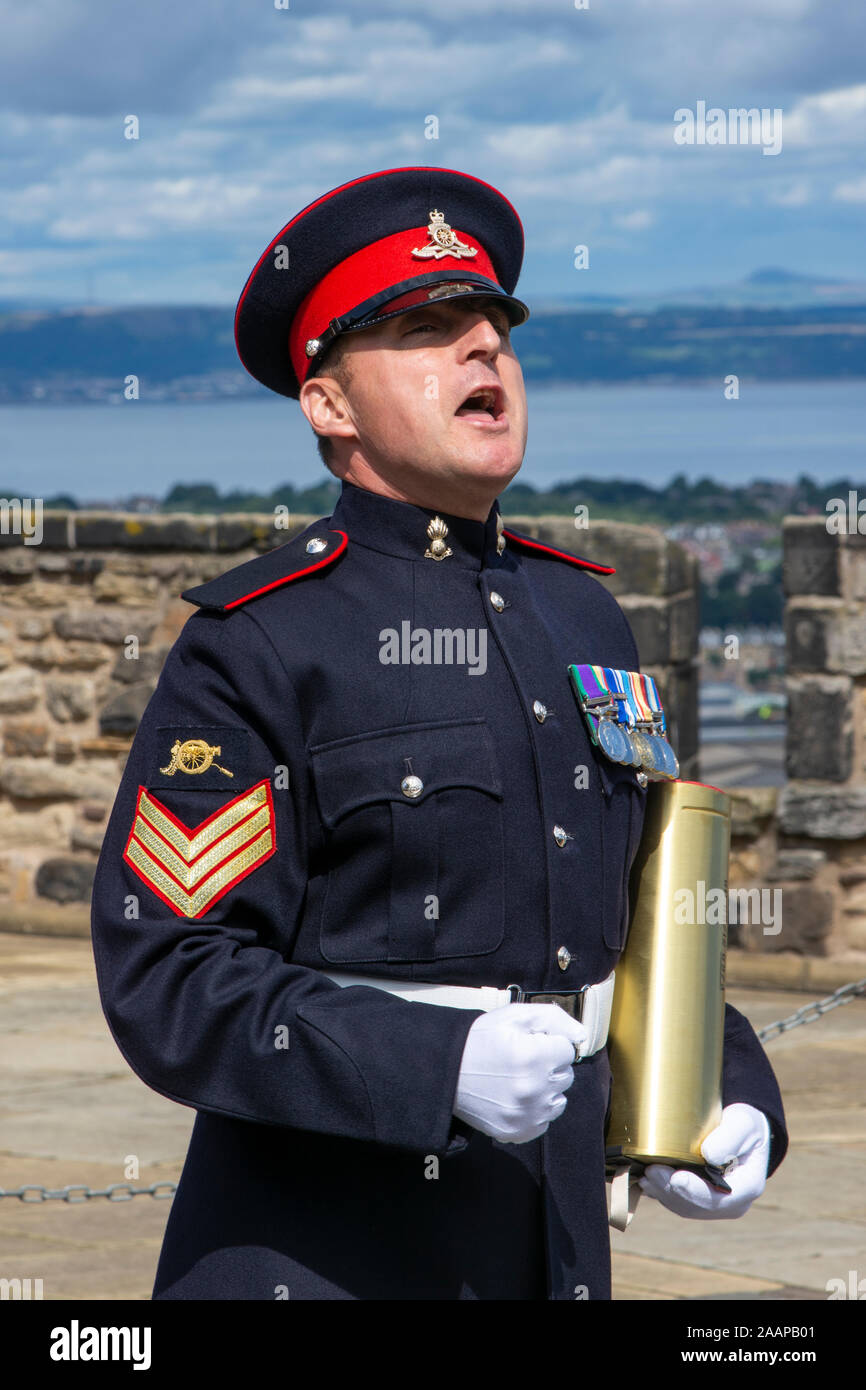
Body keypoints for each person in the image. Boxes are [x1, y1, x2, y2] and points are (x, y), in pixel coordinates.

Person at [90, 166, 787, 1301]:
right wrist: (435, 1063)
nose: (483, 354)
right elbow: (169, 968)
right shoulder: (262, 641)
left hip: (552, 1245)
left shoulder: (581, 613)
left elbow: (654, 907)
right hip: (327, 1259)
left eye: (494, 329)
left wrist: (721, 1087)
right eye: (425, 330)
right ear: (329, 405)